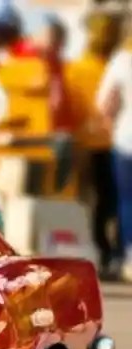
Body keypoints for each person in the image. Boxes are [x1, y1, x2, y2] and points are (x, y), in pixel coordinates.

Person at [67, 13, 122, 277]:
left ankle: (103, 251)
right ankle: (107, 251)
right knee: (110, 202)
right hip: (105, 143)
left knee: (98, 202)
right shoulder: (114, 64)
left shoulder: (80, 67)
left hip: (94, 142)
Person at [96, 20, 132, 282]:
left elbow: (106, 103)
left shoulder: (121, 61)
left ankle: (128, 258)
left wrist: (108, 123)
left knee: (126, 202)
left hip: (126, 142)